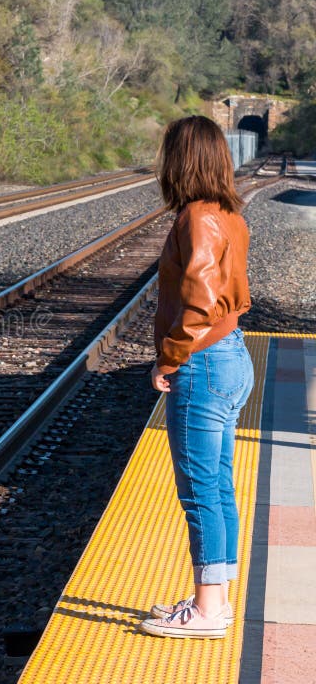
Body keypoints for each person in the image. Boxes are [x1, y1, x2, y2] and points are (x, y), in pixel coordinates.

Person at [139, 115, 254, 639]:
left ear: (181, 159)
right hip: (230, 357)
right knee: (219, 487)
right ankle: (217, 600)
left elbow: (200, 302)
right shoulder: (227, 212)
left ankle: (207, 613)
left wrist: (169, 356)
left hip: (204, 362)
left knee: (201, 490)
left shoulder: (197, 218)